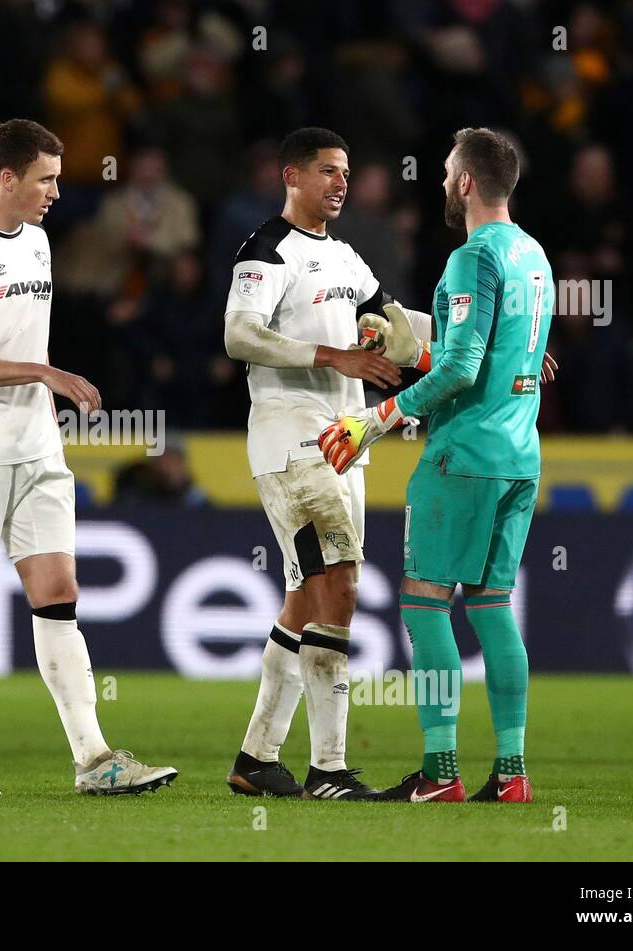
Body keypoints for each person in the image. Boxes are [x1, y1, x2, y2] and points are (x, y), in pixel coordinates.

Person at [0, 118, 176, 795]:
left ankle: (93, 759)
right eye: (46, 179)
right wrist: (45, 373)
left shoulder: (39, 242)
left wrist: (43, 384)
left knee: (59, 592)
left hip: (38, 444)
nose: (58, 191)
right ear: (6, 177)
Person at [321, 127, 555, 804]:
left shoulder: (471, 257)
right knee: (491, 606)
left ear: (465, 183)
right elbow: (505, 357)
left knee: (425, 607)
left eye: (447, 172)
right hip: (519, 453)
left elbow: (460, 366)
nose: (442, 182)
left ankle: (440, 771)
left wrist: (377, 417)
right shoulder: (534, 256)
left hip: (463, 454)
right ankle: (511, 773)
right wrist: (415, 346)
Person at [221, 127, 421, 800]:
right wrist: (332, 355)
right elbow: (238, 333)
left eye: (345, 171)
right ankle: (329, 769)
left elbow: (394, 320)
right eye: (328, 171)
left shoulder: (343, 257)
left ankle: (256, 759)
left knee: (307, 596)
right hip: (293, 443)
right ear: (293, 177)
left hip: (343, 443)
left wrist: (482, 337)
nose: (341, 182)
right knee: (339, 581)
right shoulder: (265, 251)